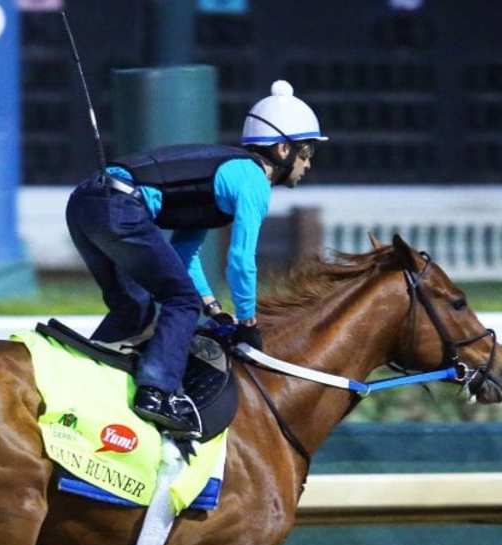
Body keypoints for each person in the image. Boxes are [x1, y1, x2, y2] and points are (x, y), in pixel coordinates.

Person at [65, 80, 327, 437]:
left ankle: (77, 376)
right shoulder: (253, 181)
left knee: (134, 306)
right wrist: (248, 324)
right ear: (283, 149)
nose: (308, 164)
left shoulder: (221, 178)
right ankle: (157, 393)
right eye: (307, 151)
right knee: (178, 301)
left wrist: (213, 306)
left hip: (85, 202)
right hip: (118, 208)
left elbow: (184, 254)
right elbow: (240, 261)